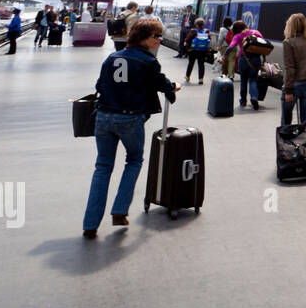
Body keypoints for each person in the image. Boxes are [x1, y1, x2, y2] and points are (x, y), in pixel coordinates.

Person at [82, 17, 181, 238]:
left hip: (104, 118)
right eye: (155, 36)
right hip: (129, 120)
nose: (159, 39)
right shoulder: (148, 62)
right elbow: (162, 84)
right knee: (134, 160)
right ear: (143, 37)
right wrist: (175, 86)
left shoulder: (112, 57)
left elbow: (99, 86)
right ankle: (119, 210)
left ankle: (90, 223)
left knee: (103, 167)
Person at [225, 19, 266, 110]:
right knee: (253, 80)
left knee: (243, 80)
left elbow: (231, 47)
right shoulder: (256, 32)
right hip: (255, 60)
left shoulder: (238, 36)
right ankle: (254, 98)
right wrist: (263, 59)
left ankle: (243, 100)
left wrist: (224, 57)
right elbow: (263, 45)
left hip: (243, 59)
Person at [183, 18, 213, 84]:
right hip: (202, 50)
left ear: (196, 25)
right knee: (201, 64)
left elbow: (187, 39)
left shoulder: (193, 31)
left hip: (193, 50)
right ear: (203, 25)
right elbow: (209, 39)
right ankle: (201, 79)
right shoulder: (206, 31)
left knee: (191, 63)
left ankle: (187, 77)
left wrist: (188, 47)